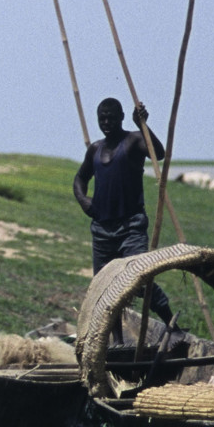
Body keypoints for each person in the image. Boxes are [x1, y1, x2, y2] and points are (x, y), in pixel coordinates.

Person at [73, 97, 171, 324]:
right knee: (104, 288)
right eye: (102, 118)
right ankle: (113, 340)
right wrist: (83, 199)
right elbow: (80, 177)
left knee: (138, 278)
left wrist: (143, 126)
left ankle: (168, 320)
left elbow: (158, 154)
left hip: (131, 227)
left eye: (111, 118)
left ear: (121, 118)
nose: (106, 122)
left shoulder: (133, 141)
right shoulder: (95, 149)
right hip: (102, 229)